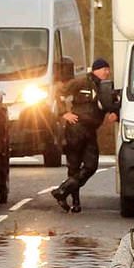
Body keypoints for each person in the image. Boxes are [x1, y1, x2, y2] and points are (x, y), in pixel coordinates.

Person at [51, 57, 116, 213]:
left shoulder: (107, 87)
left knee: (90, 166)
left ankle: (62, 191)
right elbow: (59, 92)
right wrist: (63, 113)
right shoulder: (81, 82)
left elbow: (114, 102)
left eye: (108, 69)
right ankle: (75, 202)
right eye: (103, 69)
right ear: (95, 70)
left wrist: (114, 112)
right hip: (76, 128)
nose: (106, 72)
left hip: (91, 130)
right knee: (73, 167)